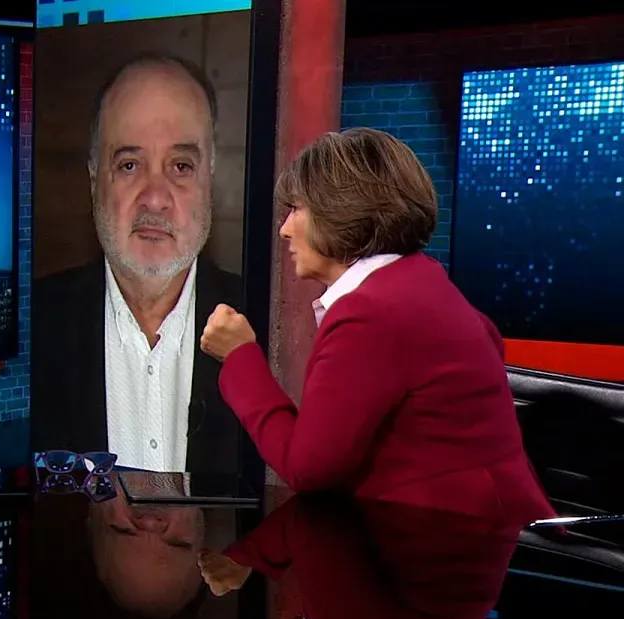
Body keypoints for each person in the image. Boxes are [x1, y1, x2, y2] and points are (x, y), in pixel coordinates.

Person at [199, 127, 552, 525]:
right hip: (472, 535)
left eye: (296, 209)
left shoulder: (371, 314)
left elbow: (308, 469)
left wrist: (240, 355)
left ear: (341, 210)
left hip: (442, 546)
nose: (284, 228)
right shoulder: (420, 283)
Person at [32, 52, 242, 473]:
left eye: (181, 166)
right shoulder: (32, 330)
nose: (155, 198)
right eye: (129, 165)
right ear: (94, 178)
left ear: (210, 178)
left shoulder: (272, 330)